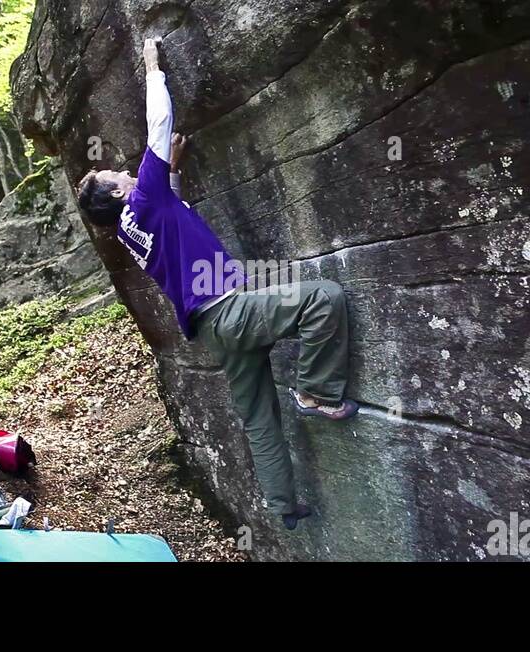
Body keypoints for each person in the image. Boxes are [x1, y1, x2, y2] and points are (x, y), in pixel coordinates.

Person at [77, 38, 358, 530]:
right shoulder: (142, 200)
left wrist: (173, 172)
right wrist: (152, 67)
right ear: (119, 194)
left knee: (258, 418)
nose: (122, 169)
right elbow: (159, 124)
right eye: (113, 174)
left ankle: (283, 506)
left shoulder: (128, 229)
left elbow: (173, 217)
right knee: (323, 297)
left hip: (213, 329)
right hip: (230, 309)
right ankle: (314, 392)